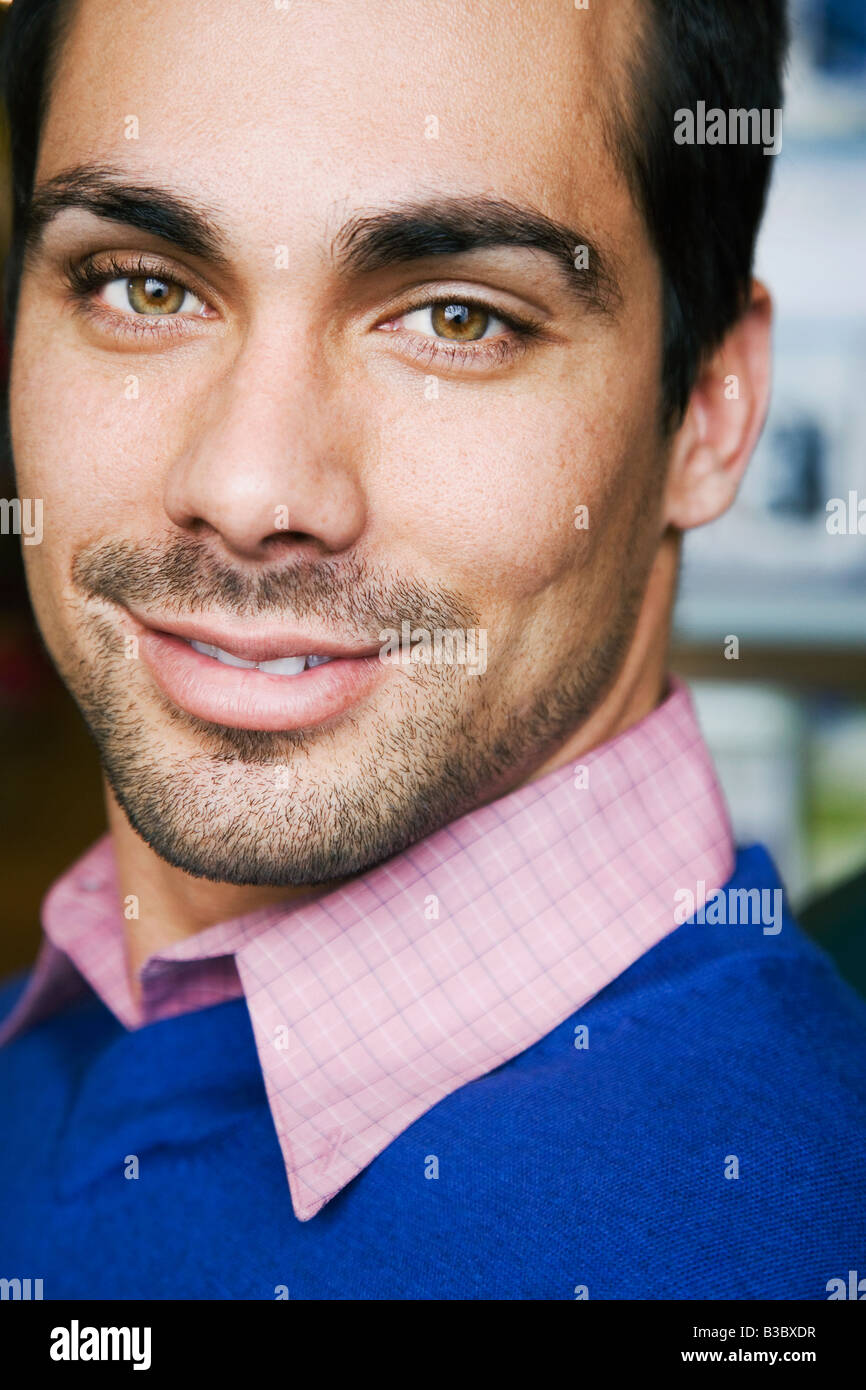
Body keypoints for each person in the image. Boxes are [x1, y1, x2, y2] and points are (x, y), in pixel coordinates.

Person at [0, 0, 862, 1301]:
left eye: (457, 320)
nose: (247, 487)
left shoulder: (776, 1252)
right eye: (145, 285)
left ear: (707, 413)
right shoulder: (64, 1023)